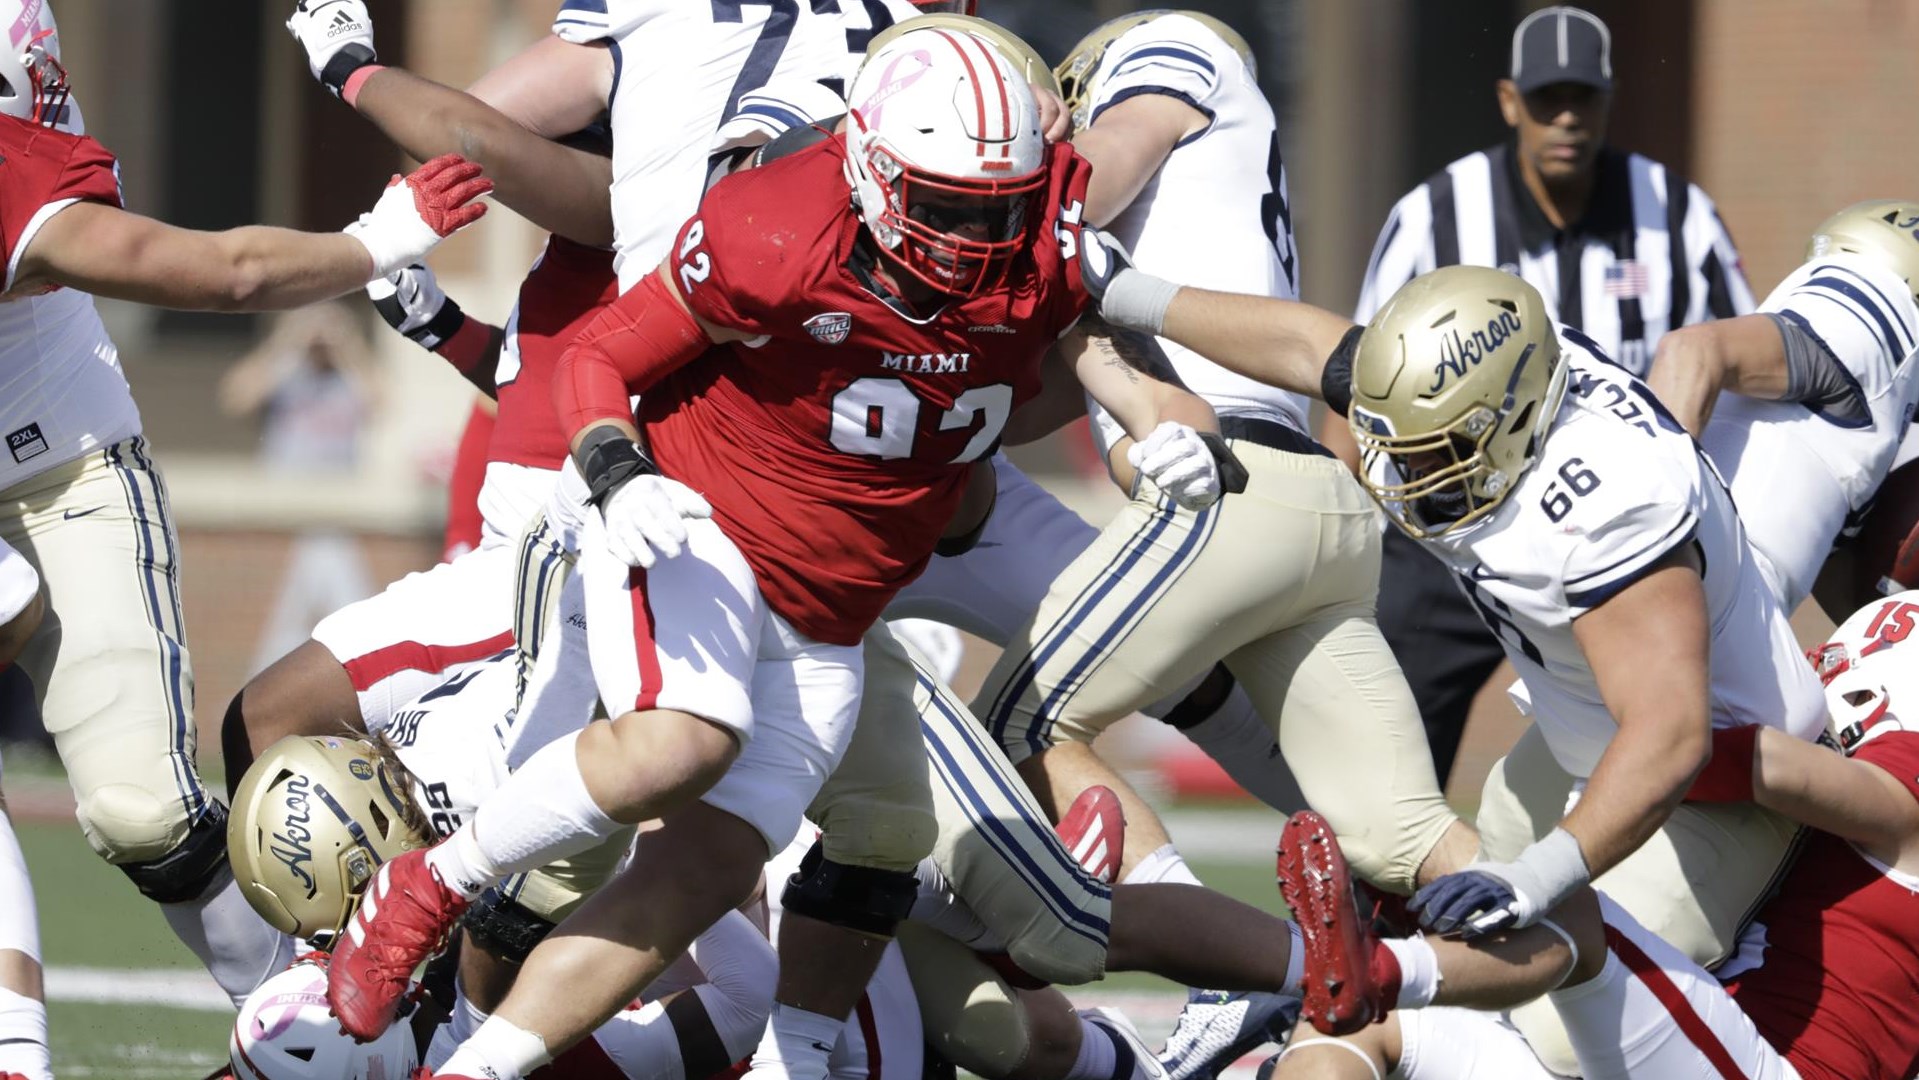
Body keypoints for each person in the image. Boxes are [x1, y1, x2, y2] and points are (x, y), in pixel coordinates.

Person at [331, 30, 1233, 1079]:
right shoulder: (775, 228)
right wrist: (621, 475)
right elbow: (598, 354)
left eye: (995, 207)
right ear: (871, 169)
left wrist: (1171, 429)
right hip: (695, 528)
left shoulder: (1040, 232)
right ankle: (430, 887)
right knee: (682, 744)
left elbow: (1130, 366)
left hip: (831, 614)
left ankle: (474, 1073)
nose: (971, 239)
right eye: (943, 205)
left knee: (712, 863)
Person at [1075, 246, 1829, 1071]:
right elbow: (1310, 350)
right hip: (1576, 735)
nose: (1399, 471)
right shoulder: (1501, 383)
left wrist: (1541, 875)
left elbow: (1670, 736)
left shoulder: (1610, 507)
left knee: (1551, 1026)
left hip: (1714, 789)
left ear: (1510, 425)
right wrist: (1130, 292)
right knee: (1461, 906)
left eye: (1437, 452)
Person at [0, 0, 489, 1009]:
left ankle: (316, 1019)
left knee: (142, 812)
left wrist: (372, 243)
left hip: (57, 470)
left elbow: (226, 273)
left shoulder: (15, 175)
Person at [1327, 5, 1755, 784]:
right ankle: (1377, 894)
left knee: (1672, 743)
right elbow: (1362, 387)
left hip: (1621, 534)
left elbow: (1738, 361)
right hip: (1454, 531)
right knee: (1387, 761)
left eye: (1581, 98)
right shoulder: (1433, 217)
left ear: (1608, 99)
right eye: (1544, 99)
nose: (1565, 119)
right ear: (1506, 101)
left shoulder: (1677, 214)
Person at [1269, 588, 1919, 1079]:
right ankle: (1330, 970)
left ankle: (1379, 964)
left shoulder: (1888, 802)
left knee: (1574, 906)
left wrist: (1631, 723)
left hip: (1770, 1067)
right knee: (1356, 1027)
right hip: (1673, 1041)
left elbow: (1763, 766)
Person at [1649, 199, 1919, 611]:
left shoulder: (1852, 409)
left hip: (1723, 612)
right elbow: (1689, 351)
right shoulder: (1872, 321)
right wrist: (1645, 535)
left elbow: (1831, 582)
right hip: (1678, 602)